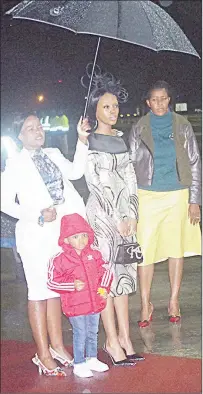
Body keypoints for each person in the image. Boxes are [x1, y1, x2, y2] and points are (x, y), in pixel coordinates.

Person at [1, 113, 90, 376]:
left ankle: (58, 346)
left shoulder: (52, 153)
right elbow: (4, 202)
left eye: (39, 127)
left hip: (58, 233)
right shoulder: (14, 164)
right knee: (38, 292)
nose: (37, 131)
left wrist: (82, 141)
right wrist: (36, 214)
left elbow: (76, 172)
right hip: (34, 234)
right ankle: (42, 353)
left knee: (56, 290)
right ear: (19, 135)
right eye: (30, 128)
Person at [129, 80, 201, 327]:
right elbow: (129, 165)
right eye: (154, 99)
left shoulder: (182, 125)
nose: (159, 103)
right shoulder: (139, 127)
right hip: (147, 194)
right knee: (144, 251)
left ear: (169, 100)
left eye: (163, 98)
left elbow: (194, 162)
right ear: (147, 103)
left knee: (175, 248)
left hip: (177, 195)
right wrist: (130, 204)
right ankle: (145, 303)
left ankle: (173, 300)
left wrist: (194, 200)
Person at [84, 71, 145, 365]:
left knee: (124, 278)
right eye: (106, 106)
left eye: (115, 106)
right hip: (103, 221)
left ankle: (125, 337)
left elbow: (131, 178)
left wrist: (132, 215)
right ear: (94, 109)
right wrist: (116, 217)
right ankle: (110, 340)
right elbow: (94, 184)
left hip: (125, 219)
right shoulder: (88, 142)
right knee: (107, 279)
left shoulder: (122, 139)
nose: (113, 111)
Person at [47, 213, 113, 378]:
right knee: (80, 333)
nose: (82, 240)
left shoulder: (95, 255)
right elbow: (52, 282)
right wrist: (71, 286)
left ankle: (92, 358)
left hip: (94, 303)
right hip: (75, 305)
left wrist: (103, 288)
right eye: (75, 236)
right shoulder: (60, 260)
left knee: (93, 331)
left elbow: (106, 271)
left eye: (84, 235)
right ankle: (79, 362)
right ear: (66, 240)